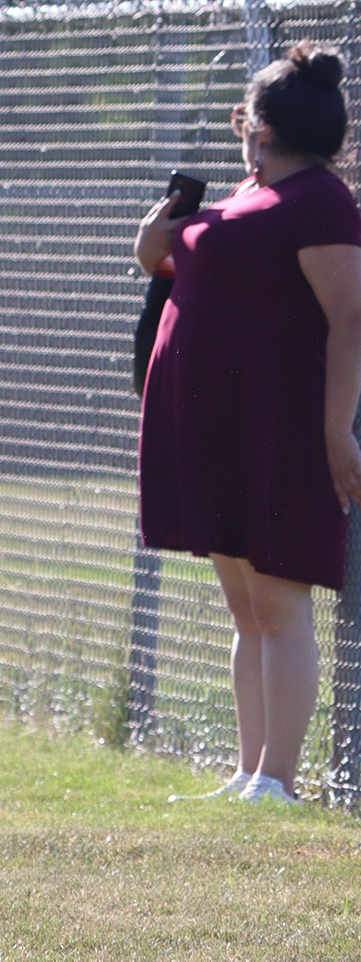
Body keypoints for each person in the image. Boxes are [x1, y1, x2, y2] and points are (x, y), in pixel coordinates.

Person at [135, 42, 361, 805]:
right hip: (218, 423)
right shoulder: (252, 191)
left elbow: (349, 319)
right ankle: (249, 770)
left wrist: (337, 431)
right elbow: (211, 275)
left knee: (280, 600)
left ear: (260, 127)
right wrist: (152, 248)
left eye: (244, 119)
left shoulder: (322, 201)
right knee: (245, 603)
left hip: (280, 425)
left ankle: (280, 779)